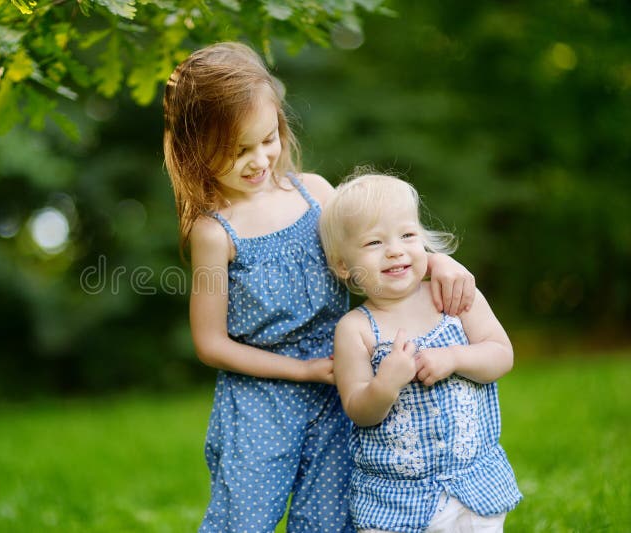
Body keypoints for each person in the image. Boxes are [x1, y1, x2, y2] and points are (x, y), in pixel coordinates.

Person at [162, 42, 477, 532]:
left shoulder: (315, 194)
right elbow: (210, 343)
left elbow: (375, 250)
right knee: (243, 520)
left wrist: (437, 263)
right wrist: (303, 369)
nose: (260, 158)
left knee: (328, 520)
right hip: (260, 401)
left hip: (340, 385)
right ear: (194, 149)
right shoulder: (214, 232)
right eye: (238, 150)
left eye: (267, 139)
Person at [319, 172, 522, 533]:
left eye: (408, 235)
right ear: (343, 265)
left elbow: (501, 354)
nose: (395, 249)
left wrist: (455, 358)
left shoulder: (452, 296)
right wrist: (385, 385)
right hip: (393, 500)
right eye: (374, 242)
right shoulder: (355, 329)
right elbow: (357, 408)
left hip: (471, 485)